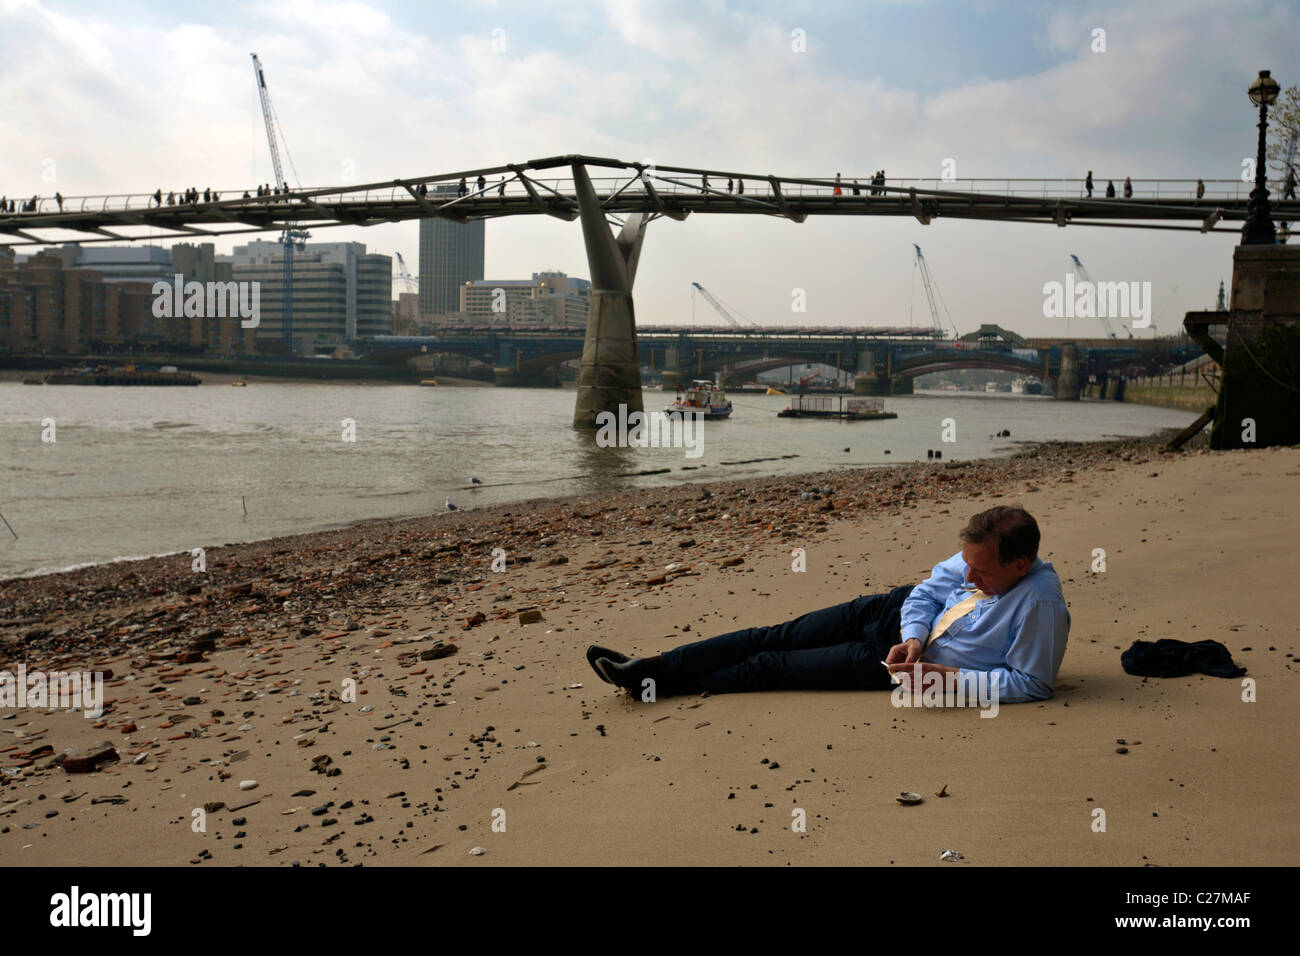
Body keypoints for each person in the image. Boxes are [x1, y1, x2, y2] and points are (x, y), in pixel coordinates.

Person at [587, 505, 1070, 704]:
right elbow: (925, 591)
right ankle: (646, 668)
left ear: (1021, 564)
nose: (969, 577)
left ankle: (656, 689)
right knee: (769, 635)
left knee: (770, 665)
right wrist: (913, 636)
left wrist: (948, 682)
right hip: (893, 619)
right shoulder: (982, 553)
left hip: (897, 668)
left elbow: (1032, 684)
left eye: (982, 572)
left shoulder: (1040, 606)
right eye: (968, 564)